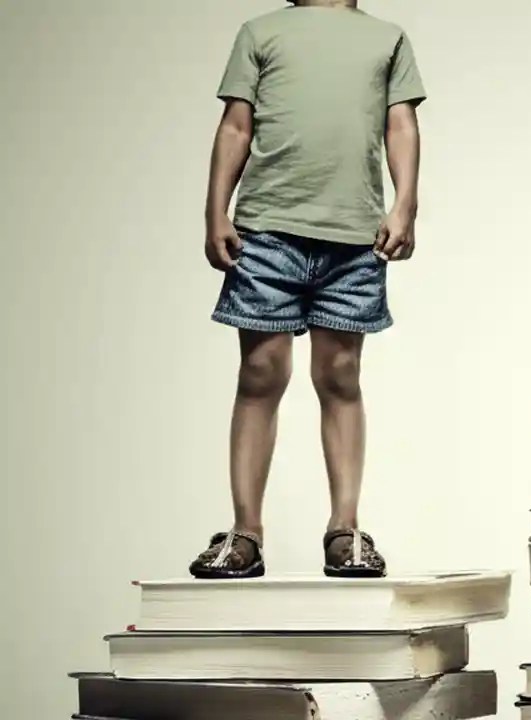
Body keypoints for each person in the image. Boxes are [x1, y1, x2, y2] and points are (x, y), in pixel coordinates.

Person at [189, 0, 425, 579]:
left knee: (340, 375)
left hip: (353, 234)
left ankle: (344, 528)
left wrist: (406, 204)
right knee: (260, 373)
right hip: (267, 231)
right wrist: (215, 211)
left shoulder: (387, 39)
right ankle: (246, 532)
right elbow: (236, 124)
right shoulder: (260, 33)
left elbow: (401, 124)